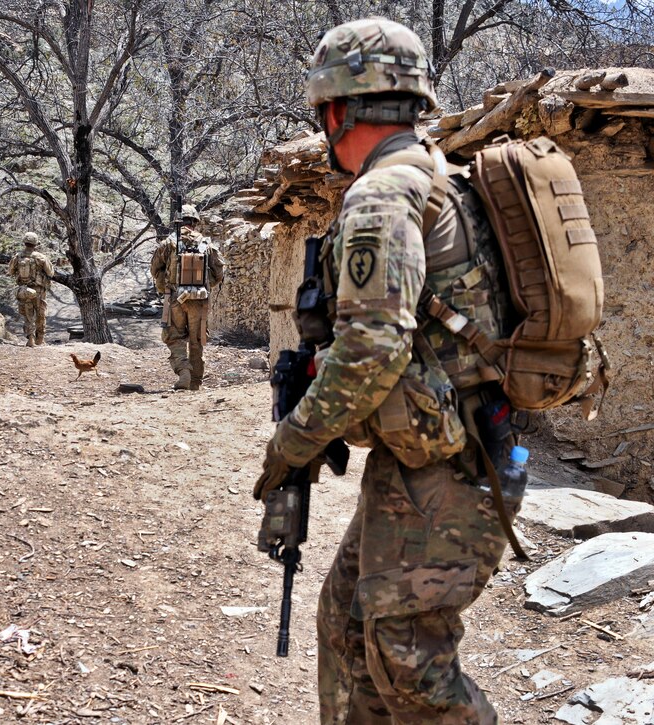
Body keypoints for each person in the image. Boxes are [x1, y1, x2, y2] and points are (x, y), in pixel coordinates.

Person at [253, 18, 520, 724]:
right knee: (348, 627)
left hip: (453, 469)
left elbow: (371, 349)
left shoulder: (384, 194)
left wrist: (293, 443)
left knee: (410, 665)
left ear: (337, 110)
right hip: (435, 458)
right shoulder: (437, 175)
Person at [150, 204, 225, 390]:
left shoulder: (169, 242)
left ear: (178, 221)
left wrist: (164, 286)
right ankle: (195, 381)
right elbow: (218, 272)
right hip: (199, 300)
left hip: (174, 298)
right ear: (195, 222)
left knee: (174, 337)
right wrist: (202, 288)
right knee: (197, 340)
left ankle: (183, 372)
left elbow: (154, 269)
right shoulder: (206, 243)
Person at [7, 232, 54, 347]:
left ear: (24, 242)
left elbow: (10, 271)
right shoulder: (41, 257)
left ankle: (30, 338)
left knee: (28, 314)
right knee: (40, 314)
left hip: (24, 290)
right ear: (36, 244)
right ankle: (40, 340)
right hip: (38, 291)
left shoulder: (18, 256)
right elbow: (50, 273)